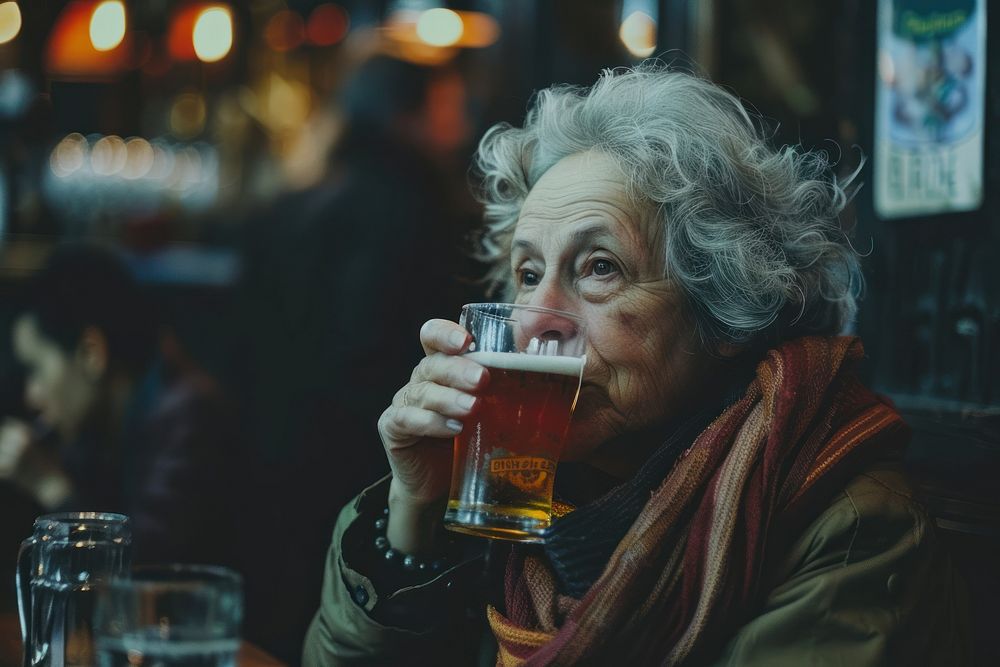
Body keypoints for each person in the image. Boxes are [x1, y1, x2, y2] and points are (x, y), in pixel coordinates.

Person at [302, 64, 970, 665]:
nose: (534, 318)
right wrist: (415, 509)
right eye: (528, 272)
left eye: (599, 268)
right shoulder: (513, 486)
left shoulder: (850, 529)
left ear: (723, 307)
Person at [0, 244, 239, 566]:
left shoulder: (189, 416)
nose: (32, 393)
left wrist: (46, 482)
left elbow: (142, 569)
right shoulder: (102, 426)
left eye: (36, 369)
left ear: (90, 353)